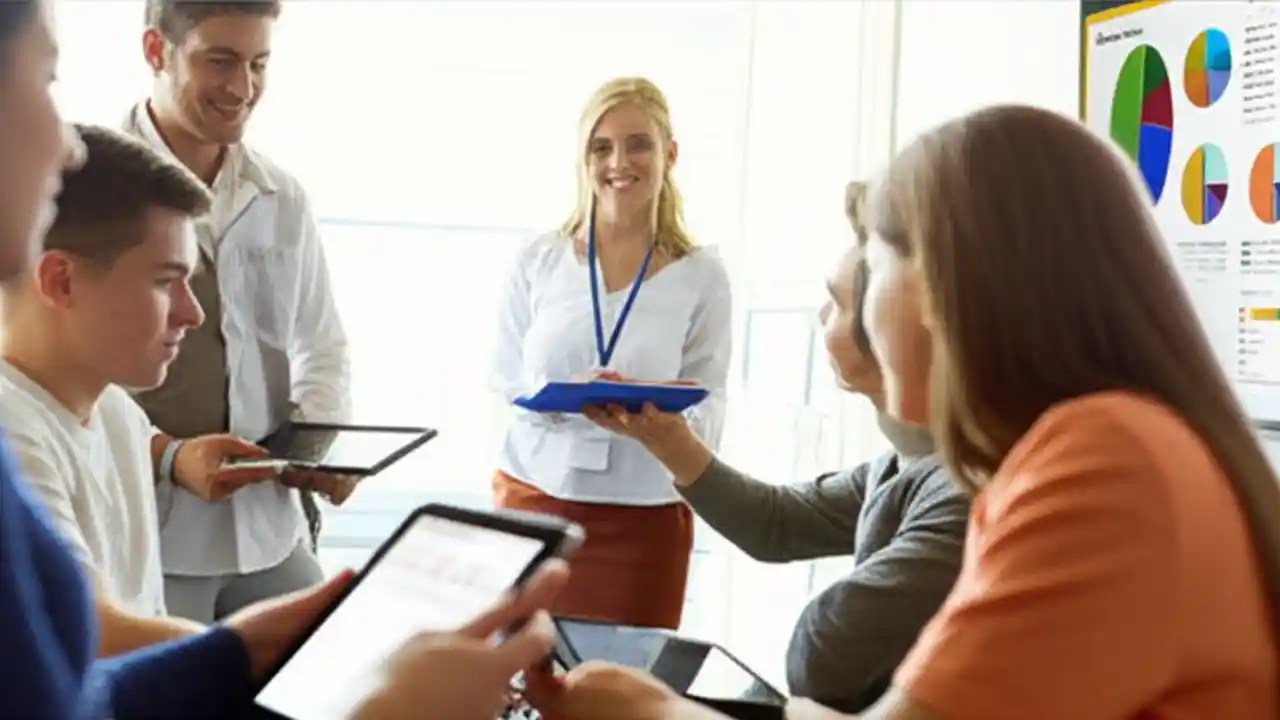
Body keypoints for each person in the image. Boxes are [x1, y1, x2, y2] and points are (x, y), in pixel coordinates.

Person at [527, 105, 1280, 719]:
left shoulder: (1101, 464)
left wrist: (659, 713)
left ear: (952, 285)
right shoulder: (1096, 447)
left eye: (876, 265)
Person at [579, 182, 967, 711]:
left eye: (837, 302)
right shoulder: (906, 463)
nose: (821, 316)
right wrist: (667, 440)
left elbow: (824, 656)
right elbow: (777, 523)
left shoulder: (959, 491)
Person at [0, 122, 297, 656]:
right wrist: (294, 650)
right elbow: (90, 636)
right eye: (164, 281)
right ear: (61, 281)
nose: (192, 313)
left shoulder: (115, 412)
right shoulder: (10, 436)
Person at [123, 0, 354, 622]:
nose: (243, 88)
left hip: (270, 532)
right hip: (148, 537)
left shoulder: (282, 197)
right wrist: (168, 456)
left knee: (324, 662)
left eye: (258, 64)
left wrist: (314, 447)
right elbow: (50, 378)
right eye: (220, 61)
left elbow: (322, 347)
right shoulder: (88, 188)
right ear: (156, 51)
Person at [489, 76, 732, 629]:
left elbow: (711, 400)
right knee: (524, 670)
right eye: (601, 148)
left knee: (628, 677)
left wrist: (653, 422)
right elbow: (504, 380)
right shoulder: (539, 259)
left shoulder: (702, 275)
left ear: (670, 155)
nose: (619, 162)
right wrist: (556, 402)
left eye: (638, 144)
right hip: (534, 503)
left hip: (644, 518)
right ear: (585, 160)